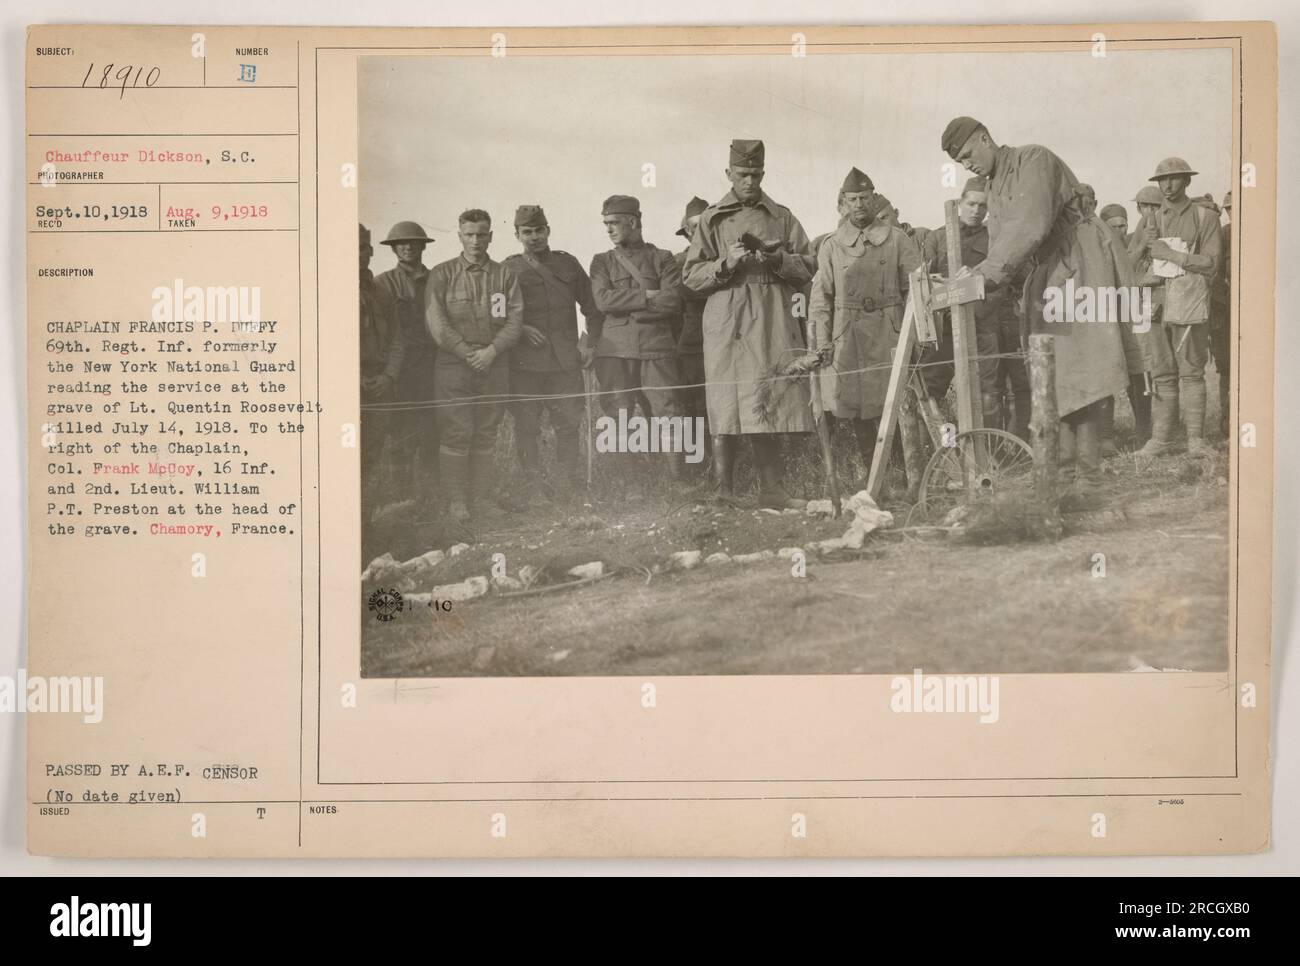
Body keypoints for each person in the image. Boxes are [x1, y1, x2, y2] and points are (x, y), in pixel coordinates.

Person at [941, 116, 1143, 507]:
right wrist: (979, 275)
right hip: (1050, 269)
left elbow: (1029, 227)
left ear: (986, 138)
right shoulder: (995, 187)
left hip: (1080, 259)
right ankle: (1065, 476)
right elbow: (1004, 245)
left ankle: (1088, 480)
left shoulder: (1033, 160)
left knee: (1083, 369)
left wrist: (984, 273)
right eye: (961, 162)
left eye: (969, 155)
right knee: (1055, 373)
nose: (968, 165)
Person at [683, 139, 816, 509]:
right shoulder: (712, 219)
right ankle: (724, 490)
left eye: (756, 174)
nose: (750, 181)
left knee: (766, 396)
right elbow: (691, 278)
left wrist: (778, 259)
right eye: (743, 174)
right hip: (727, 317)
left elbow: (809, 265)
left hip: (770, 315)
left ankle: (771, 489)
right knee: (725, 400)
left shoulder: (782, 217)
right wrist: (726, 263)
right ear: (729, 174)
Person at [809, 170, 922, 485]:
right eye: (853, 199)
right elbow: (821, 299)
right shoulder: (831, 246)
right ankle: (874, 477)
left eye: (864, 198)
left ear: (874, 197)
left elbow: (916, 289)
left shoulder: (897, 240)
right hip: (849, 334)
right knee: (857, 407)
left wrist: (917, 336)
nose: (859, 204)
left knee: (895, 402)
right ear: (843, 203)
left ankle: (904, 474)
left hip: (889, 330)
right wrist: (823, 343)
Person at [425, 209, 523, 522]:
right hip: (454, 365)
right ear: (459, 236)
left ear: (491, 236)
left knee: (486, 433)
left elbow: (514, 319)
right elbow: (437, 323)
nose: (476, 241)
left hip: (494, 363)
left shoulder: (504, 275)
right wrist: (468, 353)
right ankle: (457, 503)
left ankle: (481, 500)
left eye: (482, 234)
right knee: (456, 433)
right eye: (469, 234)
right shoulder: (442, 274)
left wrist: (492, 351)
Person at [502, 205, 602, 500]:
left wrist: (590, 344)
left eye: (538, 231)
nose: (534, 237)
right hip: (524, 364)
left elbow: (592, 307)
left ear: (548, 231)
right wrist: (519, 329)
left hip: (564, 363)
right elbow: (494, 312)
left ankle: (567, 484)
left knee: (568, 423)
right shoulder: (507, 269)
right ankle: (532, 486)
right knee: (527, 425)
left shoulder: (568, 264)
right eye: (527, 232)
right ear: (517, 234)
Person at [587, 194, 686, 491]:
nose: (609, 229)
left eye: (614, 222)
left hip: (656, 347)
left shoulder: (663, 258)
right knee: (618, 415)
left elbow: (671, 301)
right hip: (615, 352)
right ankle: (629, 482)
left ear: (633, 221)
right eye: (606, 224)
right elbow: (603, 301)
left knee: (669, 410)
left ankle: (678, 479)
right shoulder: (601, 261)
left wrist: (629, 306)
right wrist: (646, 297)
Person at [1128, 157, 1222, 455]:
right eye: (1162, 180)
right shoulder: (1150, 219)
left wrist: (1173, 255)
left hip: (1189, 302)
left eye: (1174, 178)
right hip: (1154, 304)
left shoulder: (1204, 218)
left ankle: (1196, 440)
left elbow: (1212, 264)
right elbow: (1129, 264)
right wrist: (1146, 249)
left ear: (1187, 181)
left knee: (1192, 371)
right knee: (1161, 373)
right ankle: (1161, 439)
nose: (1167, 185)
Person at [920, 175, 1024, 437]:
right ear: (960, 203)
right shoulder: (937, 238)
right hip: (944, 330)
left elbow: (1004, 280)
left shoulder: (995, 240)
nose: (976, 211)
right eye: (971, 204)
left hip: (982, 326)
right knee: (932, 389)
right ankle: (945, 450)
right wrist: (939, 284)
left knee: (987, 390)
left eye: (983, 206)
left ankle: (988, 451)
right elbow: (923, 281)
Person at [374, 221, 438, 493]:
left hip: (434, 365)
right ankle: (401, 497)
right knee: (400, 433)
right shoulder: (382, 283)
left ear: (423, 245)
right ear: (393, 249)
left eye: (414, 242)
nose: (408, 247)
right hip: (400, 369)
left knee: (433, 431)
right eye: (401, 243)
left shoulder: (438, 278)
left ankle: (430, 495)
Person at [359, 224, 404, 500]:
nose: (357, 254)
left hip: (379, 386)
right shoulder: (322, 289)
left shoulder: (381, 292)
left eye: (363, 248)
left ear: (372, 251)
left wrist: (388, 377)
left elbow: (397, 340)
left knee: (371, 456)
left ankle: (367, 523)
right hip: (344, 389)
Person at [672, 196, 712, 471]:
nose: (698, 233)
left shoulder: (729, 259)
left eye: (704, 226)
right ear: (686, 232)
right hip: (693, 343)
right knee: (694, 405)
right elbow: (676, 302)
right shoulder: (678, 263)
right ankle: (698, 464)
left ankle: (725, 466)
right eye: (693, 228)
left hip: (727, 341)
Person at [1209, 190, 1232, 439]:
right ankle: (1227, 422)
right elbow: (1213, 274)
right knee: (1226, 368)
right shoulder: (1223, 235)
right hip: (1224, 312)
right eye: (1230, 209)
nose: (1235, 213)